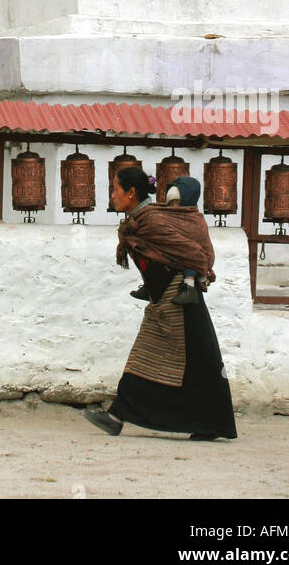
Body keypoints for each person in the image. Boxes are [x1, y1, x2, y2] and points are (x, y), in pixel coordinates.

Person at [84, 165, 237, 441]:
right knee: (148, 358)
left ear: (131, 193)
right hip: (163, 301)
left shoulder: (150, 221)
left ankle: (211, 423)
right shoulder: (137, 220)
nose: (112, 195)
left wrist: (190, 276)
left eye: (115, 189)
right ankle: (116, 416)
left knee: (198, 365)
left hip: (179, 301)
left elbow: (195, 255)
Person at [129, 176, 212, 305]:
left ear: (187, 199)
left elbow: (199, 245)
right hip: (170, 263)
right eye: (170, 203)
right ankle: (149, 285)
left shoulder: (194, 219)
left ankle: (188, 288)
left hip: (192, 262)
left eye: (177, 203)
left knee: (191, 254)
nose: (173, 207)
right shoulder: (166, 217)